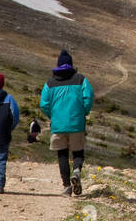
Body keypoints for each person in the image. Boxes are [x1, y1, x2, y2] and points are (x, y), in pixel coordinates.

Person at [39, 50, 94, 196]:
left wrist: (53, 116)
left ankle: (66, 186)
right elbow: (88, 98)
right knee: (78, 152)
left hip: (58, 125)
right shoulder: (81, 79)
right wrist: (84, 112)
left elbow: (44, 104)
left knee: (62, 154)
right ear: (71, 64)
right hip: (77, 123)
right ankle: (76, 171)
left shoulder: (49, 83)